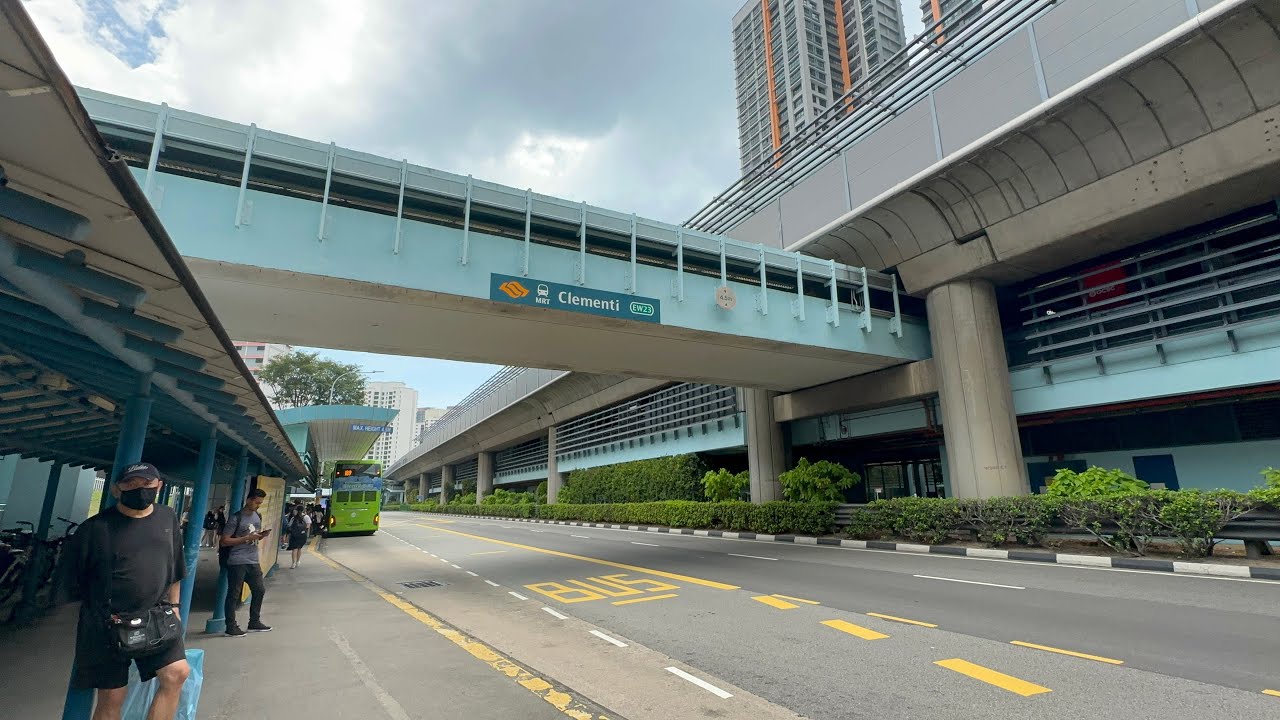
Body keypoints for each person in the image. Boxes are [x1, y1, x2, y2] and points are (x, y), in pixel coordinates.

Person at [61, 462, 191, 719]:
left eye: (146, 484)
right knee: (112, 696)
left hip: (155, 616)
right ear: (116, 489)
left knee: (177, 673)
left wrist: (175, 606)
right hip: (106, 623)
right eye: (131, 484)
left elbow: (176, 565)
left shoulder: (168, 518)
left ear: (158, 486)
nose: (140, 490)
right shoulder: (95, 528)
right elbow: (73, 579)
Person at [220, 488, 272, 637]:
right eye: (256, 502)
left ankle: (254, 621)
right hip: (237, 561)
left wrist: (260, 536)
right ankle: (231, 626)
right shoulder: (236, 518)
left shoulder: (257, 516)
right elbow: (224, 541)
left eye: (260, 503)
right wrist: (246, 539)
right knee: (233, 594)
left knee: (259, 590)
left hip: (252, 559)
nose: (258, 505)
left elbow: (253, 536)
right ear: (249, 500)